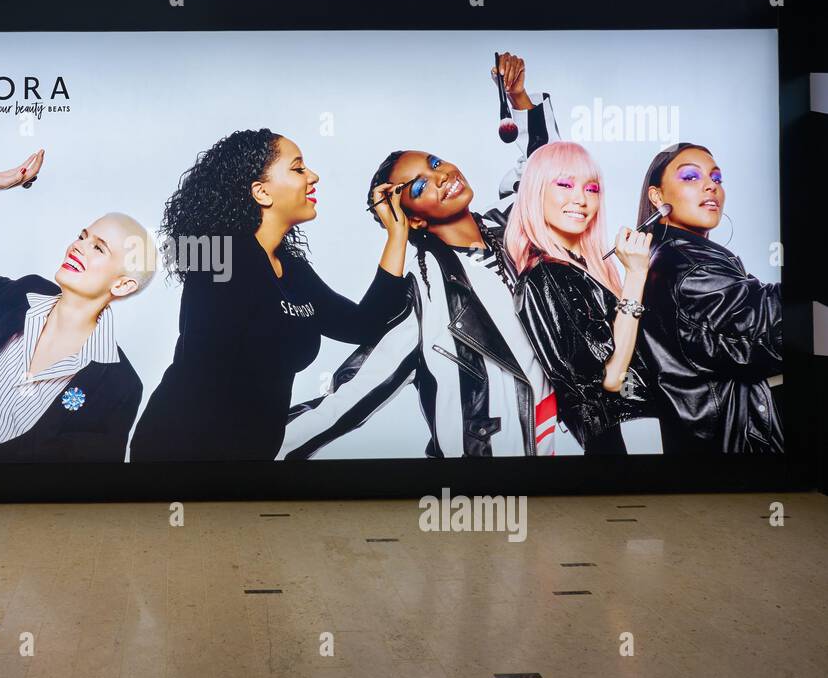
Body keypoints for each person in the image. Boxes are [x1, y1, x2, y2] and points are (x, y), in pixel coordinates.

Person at [281, 52, 558, 459]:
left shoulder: (517, 230)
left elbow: (546, 176)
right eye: (418, 187)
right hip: (479, 489)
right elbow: (344, 401)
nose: (442, 176)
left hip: (564, 474)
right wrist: (238, 450)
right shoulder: (426, 300)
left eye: (434, 163)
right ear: (413, 221)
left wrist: (520, 100)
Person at [129, 128, 411, 462]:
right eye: (298, 168)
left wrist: (397, 233)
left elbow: (364, 326)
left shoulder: (292, 270)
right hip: (184, 456)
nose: (313, 176)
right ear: (261, 192)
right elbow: (206, 373)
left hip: (251, 463)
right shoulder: (223, 258)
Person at [0, 149, 155, 462]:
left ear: (122, 284)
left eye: (98, 248)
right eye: (82, 236)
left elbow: (87, 491)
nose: (78, 247)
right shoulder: (19, 298)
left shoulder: (120, 385)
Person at [504, 141, 658, 453]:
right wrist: (636, 276)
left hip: (640, 432)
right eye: (564, 184)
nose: (581, 199)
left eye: (591, 188)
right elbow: (613, 377)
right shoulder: (547, 275)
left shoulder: (588, 268)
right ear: (535, 191)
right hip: (619, 441)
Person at [636, 143, 782, 453]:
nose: (710, 185)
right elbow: (770, 329)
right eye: (690, 176)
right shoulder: (686, 269)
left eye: (717, 178)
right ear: (657, 197)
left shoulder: (681, 259)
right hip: (732, 460)